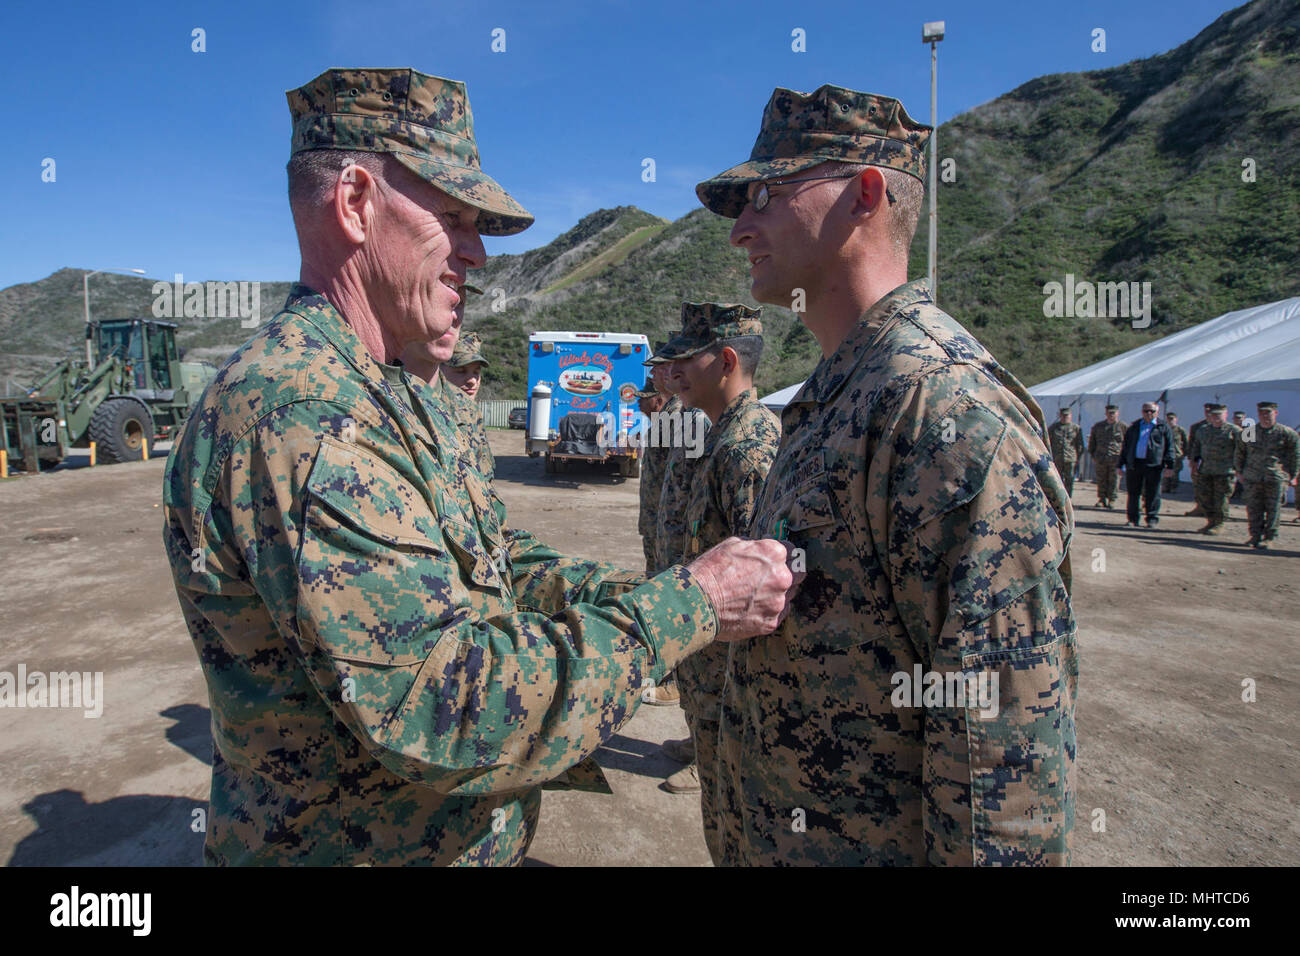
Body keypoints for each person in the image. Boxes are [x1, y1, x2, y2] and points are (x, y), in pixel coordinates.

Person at [161, 67, 798, 866]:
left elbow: (480, 561)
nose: (478, 254)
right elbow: (452, 712)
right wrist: (688, 606)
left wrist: (632, 592)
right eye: (452, 218)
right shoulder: (306, 417)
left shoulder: (382, 390)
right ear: (355, 203)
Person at [696, 83, 1077, 865]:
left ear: (865, 194)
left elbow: (1001, 745)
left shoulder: (942, 407)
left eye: (766, 193)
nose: (740, 230)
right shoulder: (842, 390)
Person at [659, 303, 781, 860]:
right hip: (711, 675)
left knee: (735, 822)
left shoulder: (746, 447)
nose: (676, 369)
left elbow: (766, 588)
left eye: (689, 356)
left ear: (727, 361)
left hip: (732, 683)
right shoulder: (719, 436)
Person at [644, 337, 713, 724]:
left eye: (664, 367)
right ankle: (676, 681)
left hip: (680, 541)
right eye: (657, 368)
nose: (659, 374)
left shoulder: (690, 417)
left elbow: (693, 485)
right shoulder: (674, 413)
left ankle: (676, 684)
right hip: (662, 530)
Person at [1234, 401, 1300, 549]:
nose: (1265, 416)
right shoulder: (1249, 432)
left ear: (1275, 413)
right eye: (1262, 413)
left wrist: (1292, 475)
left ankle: (1269, 537)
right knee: (1253, 508)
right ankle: (1255, 535)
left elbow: (1295, 456)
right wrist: (1239, 471)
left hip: (1275, 477)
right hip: (1252, 477)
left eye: (1268, 412)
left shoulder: (1286, 433)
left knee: (1273, 509)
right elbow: (1240, 453)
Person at [1118, 402, 1175, 528]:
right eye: (1146, 411)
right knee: (1133, 493)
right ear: (1142, 412)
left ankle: (1151, 518)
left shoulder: (1163, 427)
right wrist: (1120, 464)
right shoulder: (1135, 426)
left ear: (1157, 412)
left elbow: (1170, 447)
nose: (1149, 413)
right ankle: (1132, 519)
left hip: (1154, 465)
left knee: (1153, 493)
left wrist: (1170, 465)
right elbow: (1126, 446)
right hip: (1135, 463)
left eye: (1152, 411)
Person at [1187, 404, 1240, 535]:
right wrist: (1193, 462)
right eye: (1213, 415)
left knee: (1221, 499)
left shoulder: (1235, 430)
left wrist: (1240, 468)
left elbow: (1245, 450)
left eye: (1219, 414)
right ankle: (1210, 522)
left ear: (1226, 414)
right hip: (1206, 470)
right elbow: (1196, 447)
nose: (1216, 417)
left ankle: (1219, 523)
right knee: (1205, 498)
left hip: (1225, 471)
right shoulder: (1203, 430)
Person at [1088, 404, 1126, 509]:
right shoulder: (1098, 426)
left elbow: (1127, 443)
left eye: (1113, 413)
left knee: (1114, 480)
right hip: (1101, 458)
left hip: (1116, 459)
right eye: (1109, 413)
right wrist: (1093, 454)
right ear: (1106, 414)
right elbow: (1092, 442)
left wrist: (1124, 458)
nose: (1111, 415)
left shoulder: (1122, 427)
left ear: (1117, 413)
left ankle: (1112, 499)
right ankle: (1102, 498)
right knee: (1101, 479)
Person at [1184, 403, 1214, 516]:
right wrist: (1192, 461)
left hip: (1217, 462)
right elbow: (1192, 445)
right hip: (1200, 461)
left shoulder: (1224, 427)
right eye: (1206, 410)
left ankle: (1213, 511)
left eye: (1210, 410)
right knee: (1198, 486)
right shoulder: (1197, 427)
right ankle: (1200, 507)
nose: (1208, 412)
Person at [1047, 408, 1084, 498]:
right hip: (1057, 458)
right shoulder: (1053, 428)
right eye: (1063, 416)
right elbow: (1048, 442)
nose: (1065, 417)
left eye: (1067, 415)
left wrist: (1077, 457)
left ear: (1071, 416)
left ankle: (1068, 497)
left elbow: (1080, 444)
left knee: (1070, 479)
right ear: (1060, 416)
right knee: (1057, 479)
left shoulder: (1076, 428)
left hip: (1070, 458)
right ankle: (1059, 496)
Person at [1163, 411, 1187, 495]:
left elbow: (1186, 442)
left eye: (1172, 419)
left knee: (1175, 472)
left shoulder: (1180, 430)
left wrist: (1184, 453)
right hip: (1165, 454)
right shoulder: (1164, 429)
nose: (1170, 421)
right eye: (1168, 419)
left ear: (1176, 419)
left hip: (1176, 454)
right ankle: (1165, 487)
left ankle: (1173, 487)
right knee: (1165, 471)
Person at [1230, 411, 1248, 501]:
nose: (1238, 420)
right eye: (1236, 418)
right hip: (1232, 456)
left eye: (1240, 418)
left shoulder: (1248, 431)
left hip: (1243, 457)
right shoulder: (1230, 430)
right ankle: (1233, 492)